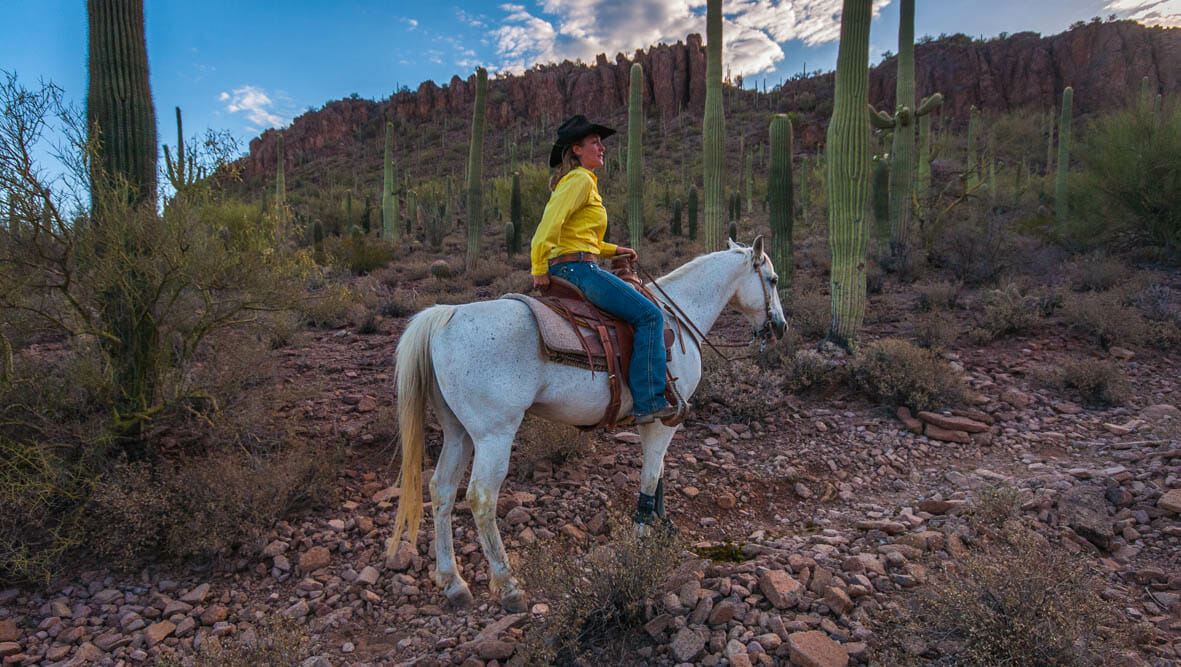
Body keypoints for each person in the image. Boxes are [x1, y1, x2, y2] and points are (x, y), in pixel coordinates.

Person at [530, 115, 676, 424]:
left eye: (601, 142)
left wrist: (614, 250)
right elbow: (549, 226)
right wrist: (538, 265)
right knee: (650, 316)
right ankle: (648, 401)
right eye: (595, 142)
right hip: (578, 271)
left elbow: (580, 237)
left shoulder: (582, 182)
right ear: (577, 149)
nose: (602, 147)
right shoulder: (580, 180)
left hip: (578, 263)